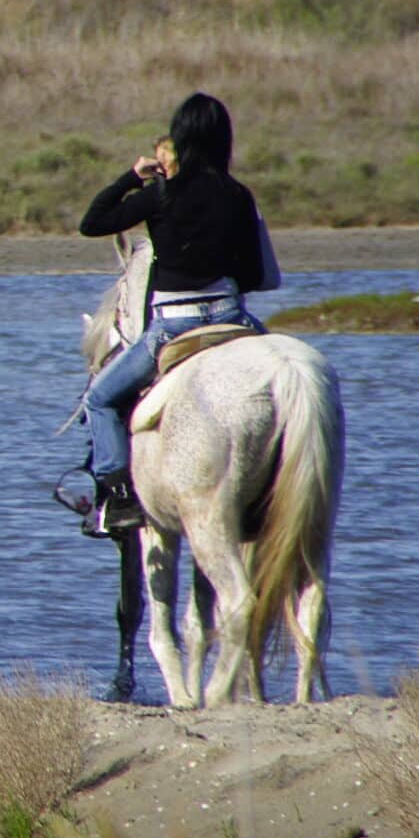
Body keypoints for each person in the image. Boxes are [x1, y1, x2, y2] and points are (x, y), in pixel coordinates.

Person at [73, 91, 270, 536]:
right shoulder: (239, 196)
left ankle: (119, 498)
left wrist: (132, 176)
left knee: (99, 399)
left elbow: (93, 221)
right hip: (231, 318)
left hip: (172, 328)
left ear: (179, 139)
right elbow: (254, 275)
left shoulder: (159, 195)